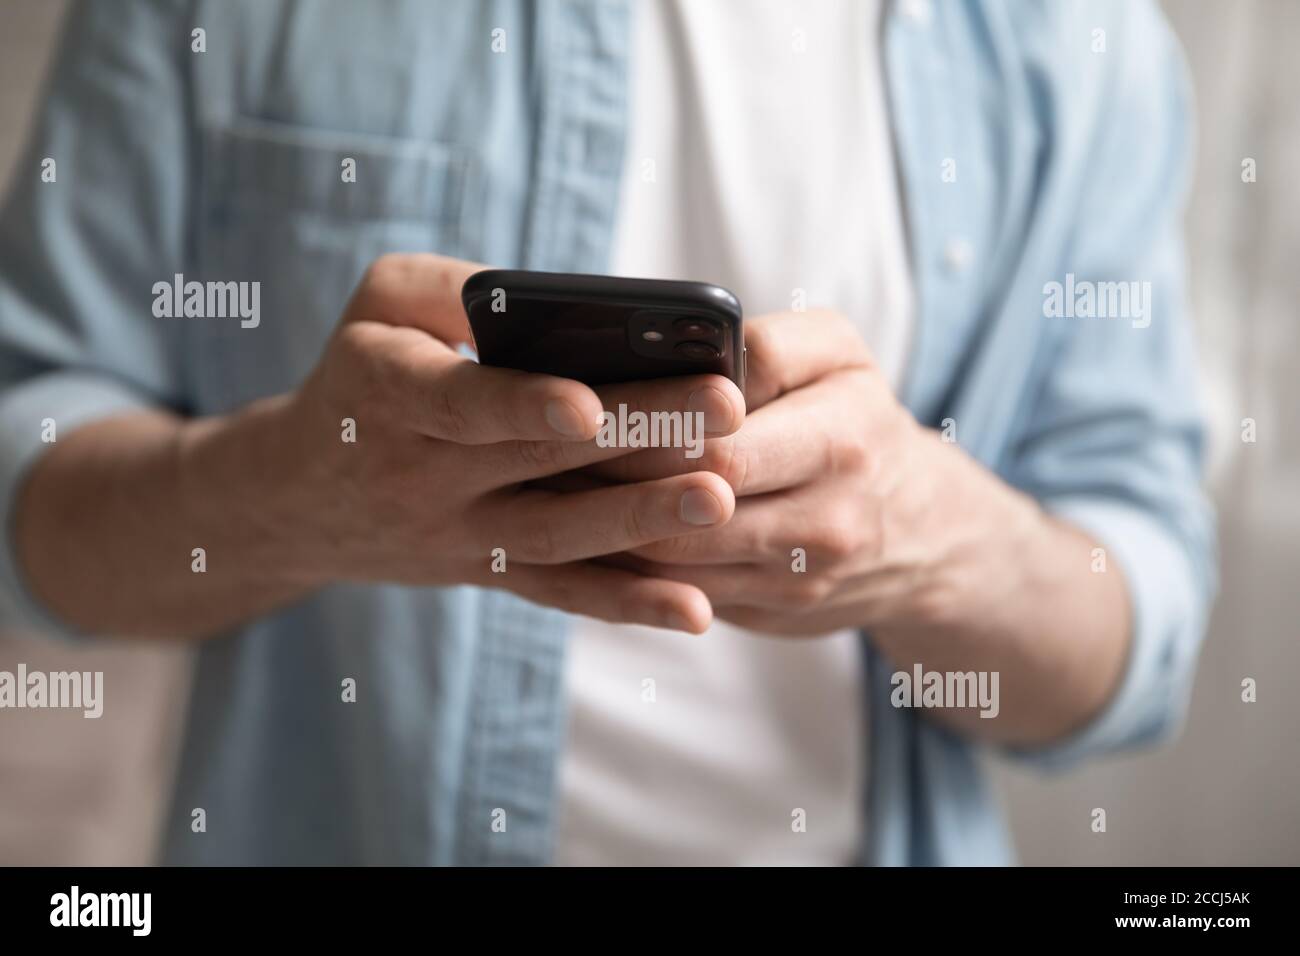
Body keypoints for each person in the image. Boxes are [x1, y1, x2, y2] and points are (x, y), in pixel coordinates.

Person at [0, 0, 1215, 865]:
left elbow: (1139, 629)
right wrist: (289, 493)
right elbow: (27, 479)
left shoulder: (1081, 41)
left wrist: (935, 544)